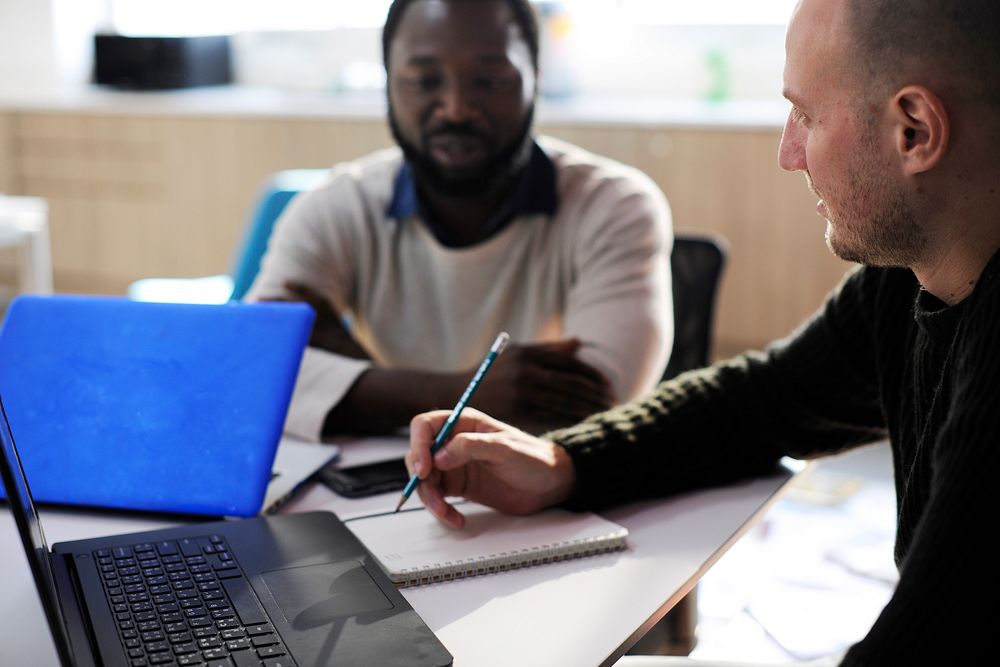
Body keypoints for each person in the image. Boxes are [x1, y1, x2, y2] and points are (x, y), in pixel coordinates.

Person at [404, 0, 1000, 663]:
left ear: (915, 131)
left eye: (805, 114)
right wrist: (562, 463)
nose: (788, 153)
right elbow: (764, 401)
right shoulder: (910, 276)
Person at [248, 0, 673, 441]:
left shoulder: (613, 206)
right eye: (423, 80)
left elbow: (595, 409)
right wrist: (465, 392)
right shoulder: (336, 208)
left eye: (488, 80)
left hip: (558, 503)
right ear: (388, 84)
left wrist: (356, 371)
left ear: (537, 80)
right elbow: (249, 372)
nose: (455, 108)